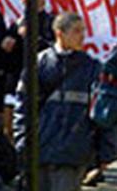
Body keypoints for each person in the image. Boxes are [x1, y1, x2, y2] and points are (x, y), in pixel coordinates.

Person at [13, 12, 111, 191]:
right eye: (76, 31)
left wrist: (106, 152)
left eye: (83, 30)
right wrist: (22, 142)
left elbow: (102, 112)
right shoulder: (39, 64)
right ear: (60, 33)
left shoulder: (92, 67)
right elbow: (22, 107)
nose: (82, 36)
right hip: (41, 150)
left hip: (72, 154)